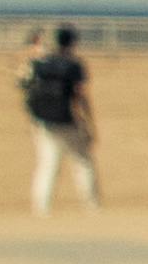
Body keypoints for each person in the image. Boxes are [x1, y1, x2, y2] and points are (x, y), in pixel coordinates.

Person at [22, 22, 101, 216]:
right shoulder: (74, 65)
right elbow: (81, 95)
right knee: (83, 162)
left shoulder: (40, 64)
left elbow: (25, 85)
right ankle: (91, 206)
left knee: (48, 163)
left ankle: (42, 207)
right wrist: (89, 122)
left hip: (43, 121)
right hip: (68, 120)